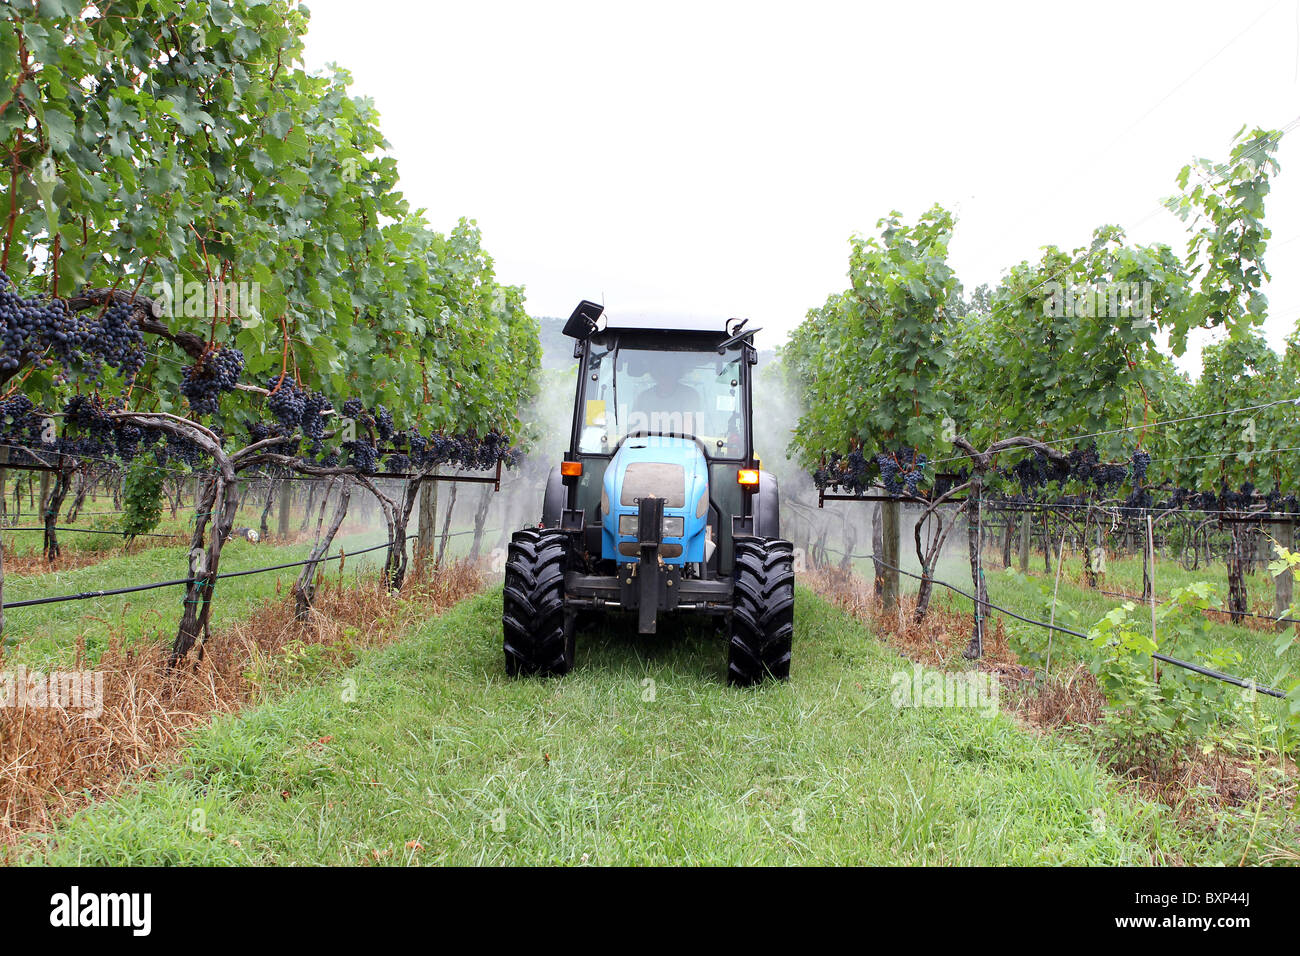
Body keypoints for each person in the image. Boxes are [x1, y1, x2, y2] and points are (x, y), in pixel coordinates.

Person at [629, 353, 702, 437]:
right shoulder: (644, 397)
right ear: (654, 373)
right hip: (647, 448)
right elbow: (633, 429)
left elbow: (688, 430)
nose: (665, 374)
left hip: (680, 448)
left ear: (678, 372)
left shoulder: (689, 395)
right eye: (661, 370)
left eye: (669, 369)